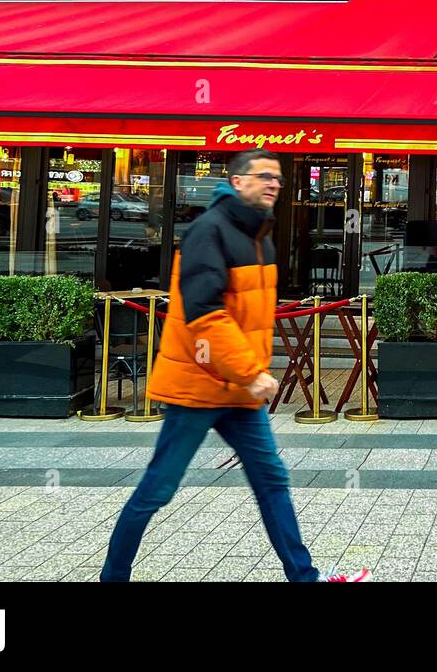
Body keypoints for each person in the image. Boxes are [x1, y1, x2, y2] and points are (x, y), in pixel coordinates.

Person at [100, 149, 370, 584]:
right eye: (264, 176)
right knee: (158, 489)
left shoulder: (261, 234)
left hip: (239, 389)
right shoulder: (209, 231)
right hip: (197, 385)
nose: (274, 185)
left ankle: (306, 578)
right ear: (238, 181)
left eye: (278, 179)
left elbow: (250, 316)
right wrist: (250, 370)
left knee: (271, 480)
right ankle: (112, 578)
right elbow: (204, 316)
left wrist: (248, 373)